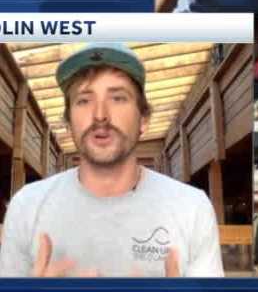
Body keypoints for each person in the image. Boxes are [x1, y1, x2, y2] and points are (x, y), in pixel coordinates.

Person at [0, 44, 224, 277]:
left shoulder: (192, 208)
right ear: (68, 124)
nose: (100, 115)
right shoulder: (27, 205)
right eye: (84, 100)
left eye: (118, 98)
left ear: (144, 120)